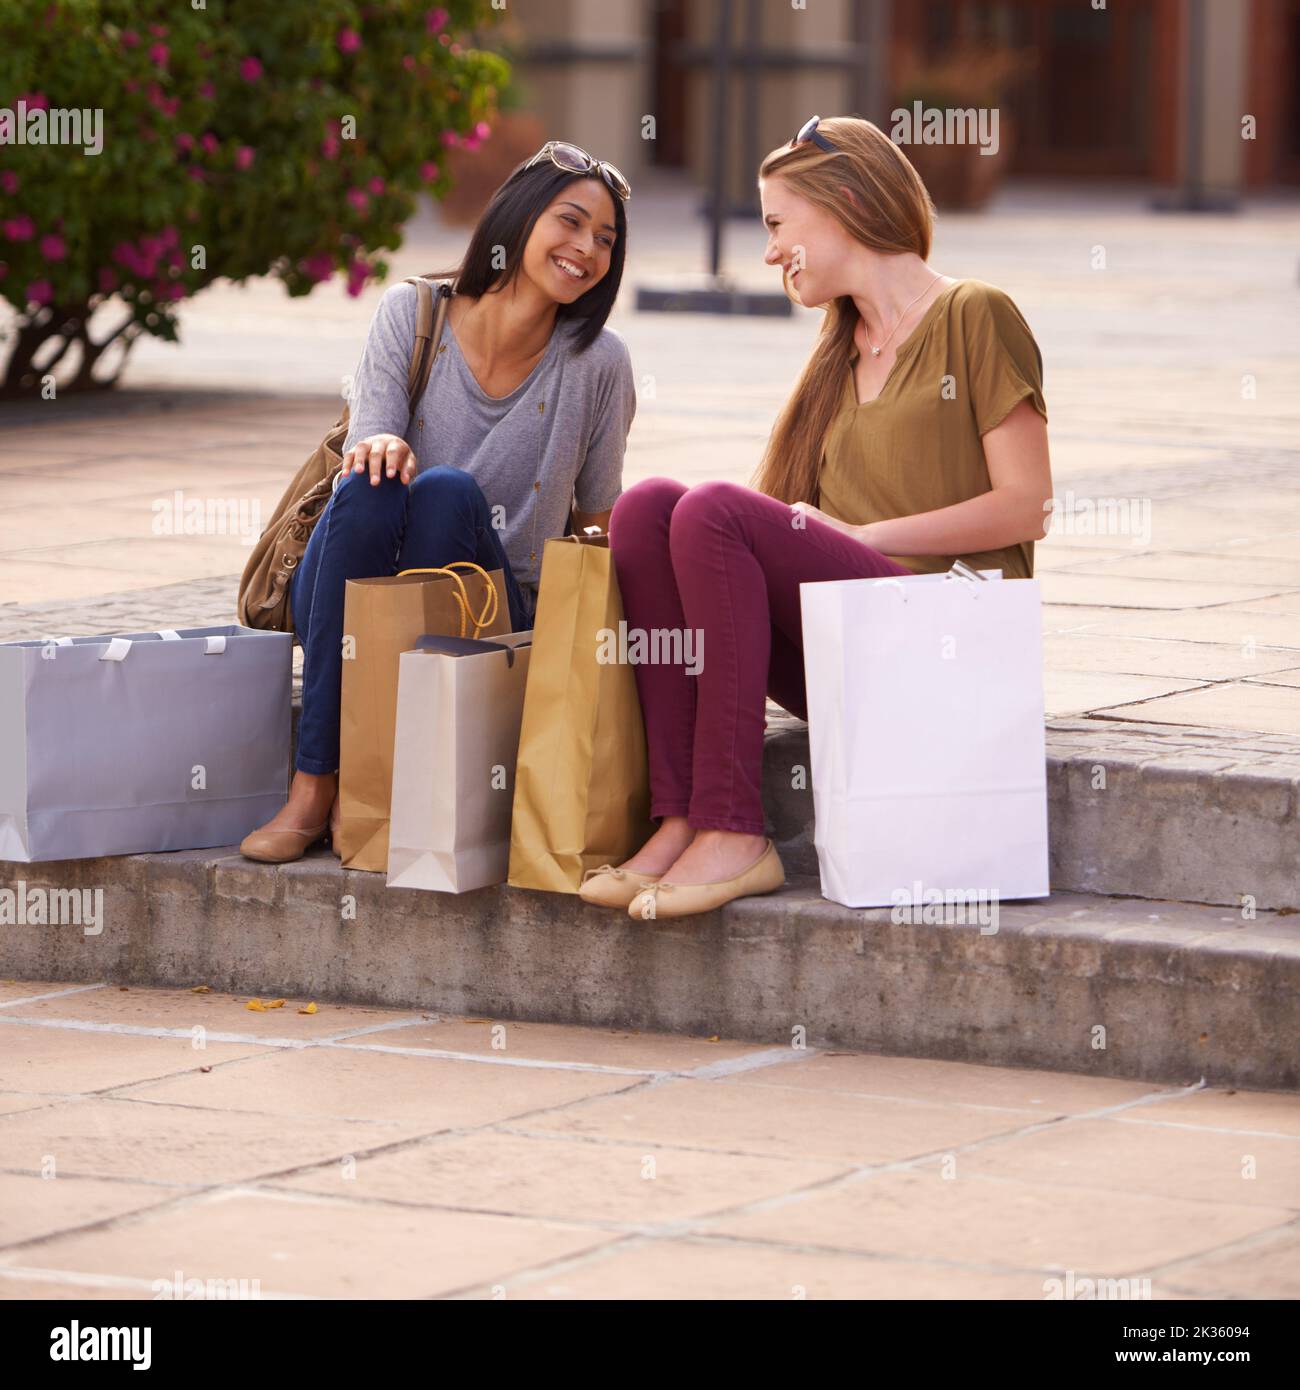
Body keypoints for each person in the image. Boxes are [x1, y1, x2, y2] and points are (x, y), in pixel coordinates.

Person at [582, 115, 1052, 920]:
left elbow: (1028, 504)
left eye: (775, 224)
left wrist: (863, 539)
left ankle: (736, 831)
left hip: (945, 646)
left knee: (716, 509)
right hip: (852, 656)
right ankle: (684, 817)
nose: (768, 253)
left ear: (842, 202)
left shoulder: (975, 313)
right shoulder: (837, 357)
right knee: (649, 507)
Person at [241, 142, 636, 863]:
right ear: (519, 218)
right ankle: (314, 786)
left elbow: (598, 518)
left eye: (605, 240)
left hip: (491, 605)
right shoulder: (411, 312)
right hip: (358, 570)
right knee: (374, 478)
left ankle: (362, 782)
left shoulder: (599, 363)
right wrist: (385, 443)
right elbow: (370, 435)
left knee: (448, 492)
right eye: (571, 222)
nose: (586, 249)